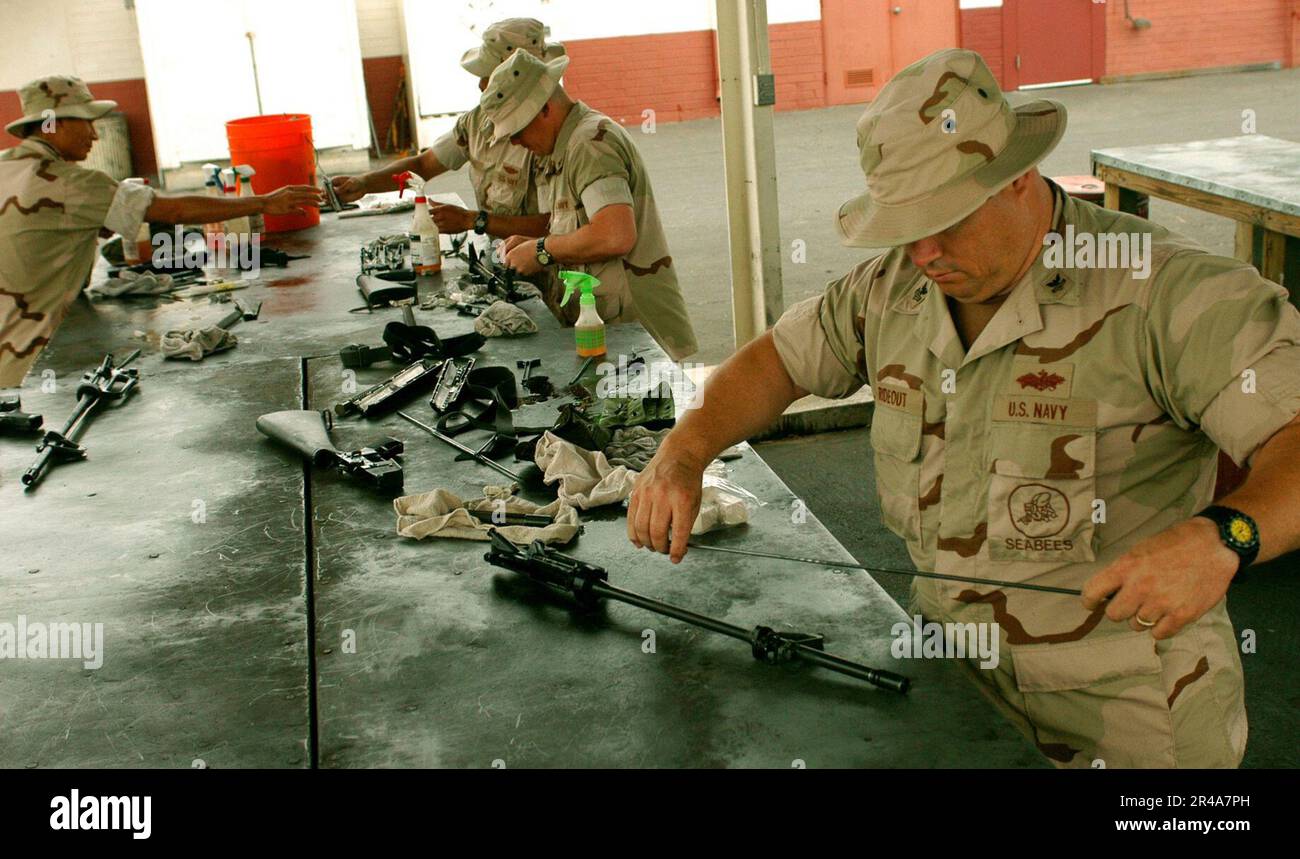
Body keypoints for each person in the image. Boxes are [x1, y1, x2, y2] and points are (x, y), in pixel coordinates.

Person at [626, 49, 1300, 767]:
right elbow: (778, 360)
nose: (925, 251)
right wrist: (684, 451)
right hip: (948, 691)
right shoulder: (891, 290)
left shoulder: (1164, 293)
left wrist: (1226, 534)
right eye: (905, 227)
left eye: (946, 220)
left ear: (1016, 178)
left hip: (1129, 723)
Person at [0, 76, 322, 386]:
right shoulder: (71, 183)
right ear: (53, 124)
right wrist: (264, 203)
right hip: (31, 360)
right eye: (87, 122)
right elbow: (172, 210)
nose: (95, 136)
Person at [479, 50, 698, 362]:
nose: (514, 142)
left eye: (517, 130)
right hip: (604, 325)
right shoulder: (560, 148)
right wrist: (532, 244)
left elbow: (615, 235)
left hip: (632, 332)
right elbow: (576, 227)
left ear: (544, 110)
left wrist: (542, 251)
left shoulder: (589, 145)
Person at [330, 18, 562, 242]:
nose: (480, 84)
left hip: (544, 269)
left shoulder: (552, 133)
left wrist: (472, 220)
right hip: (502, 258)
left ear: (519, 76)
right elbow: (423, 165)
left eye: (489, 76)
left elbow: (554, 225)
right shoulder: (477, 122)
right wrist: (363, 183)